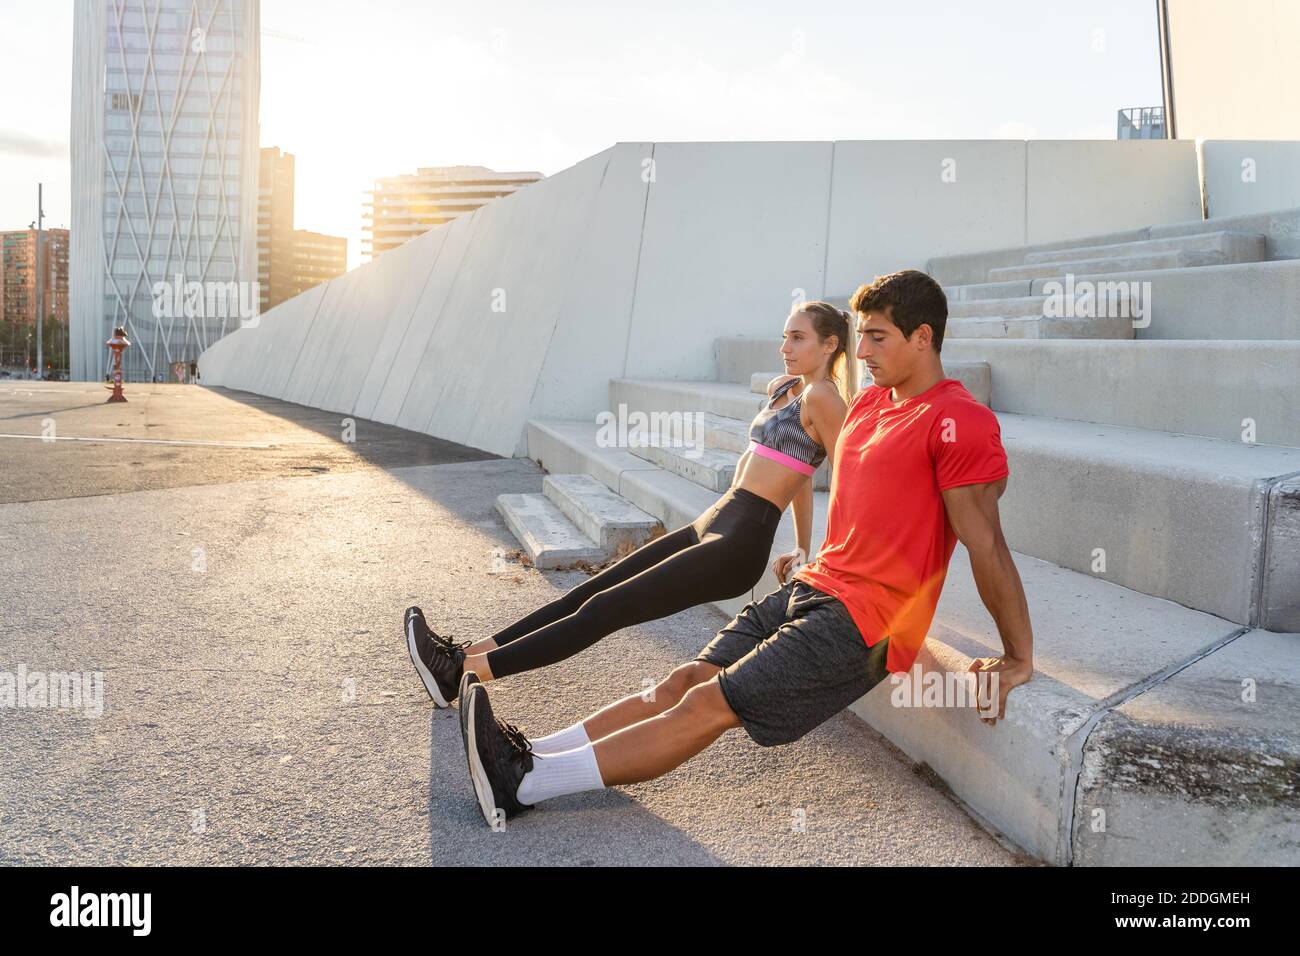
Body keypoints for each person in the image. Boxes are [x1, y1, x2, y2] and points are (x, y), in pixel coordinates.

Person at [454, 269, 1036, 828]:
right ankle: (529, 752)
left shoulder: (960, 421)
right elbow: (857, 501)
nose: (862, 354)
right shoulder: (869, 407)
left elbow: (986, 545)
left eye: (878, 338)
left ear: (923, 336)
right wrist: (813, 552)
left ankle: (524, 781)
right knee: (681, 682)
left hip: (865, 622)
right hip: (815, 588)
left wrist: (1017, 655)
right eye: (860, 339)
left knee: (706, 707)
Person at [405, 302, 857, 707]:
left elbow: (842, 481)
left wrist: (821, 560)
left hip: (739, 542)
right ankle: (468, 653)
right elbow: (800, 473)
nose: (784, 346)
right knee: (590, 592)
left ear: (830, 344)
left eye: (797, 338)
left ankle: (461, 676)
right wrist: (801, 545)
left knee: (607, 609)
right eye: (784, 335)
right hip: (715, 521)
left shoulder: (825, 399)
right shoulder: (791, 390)